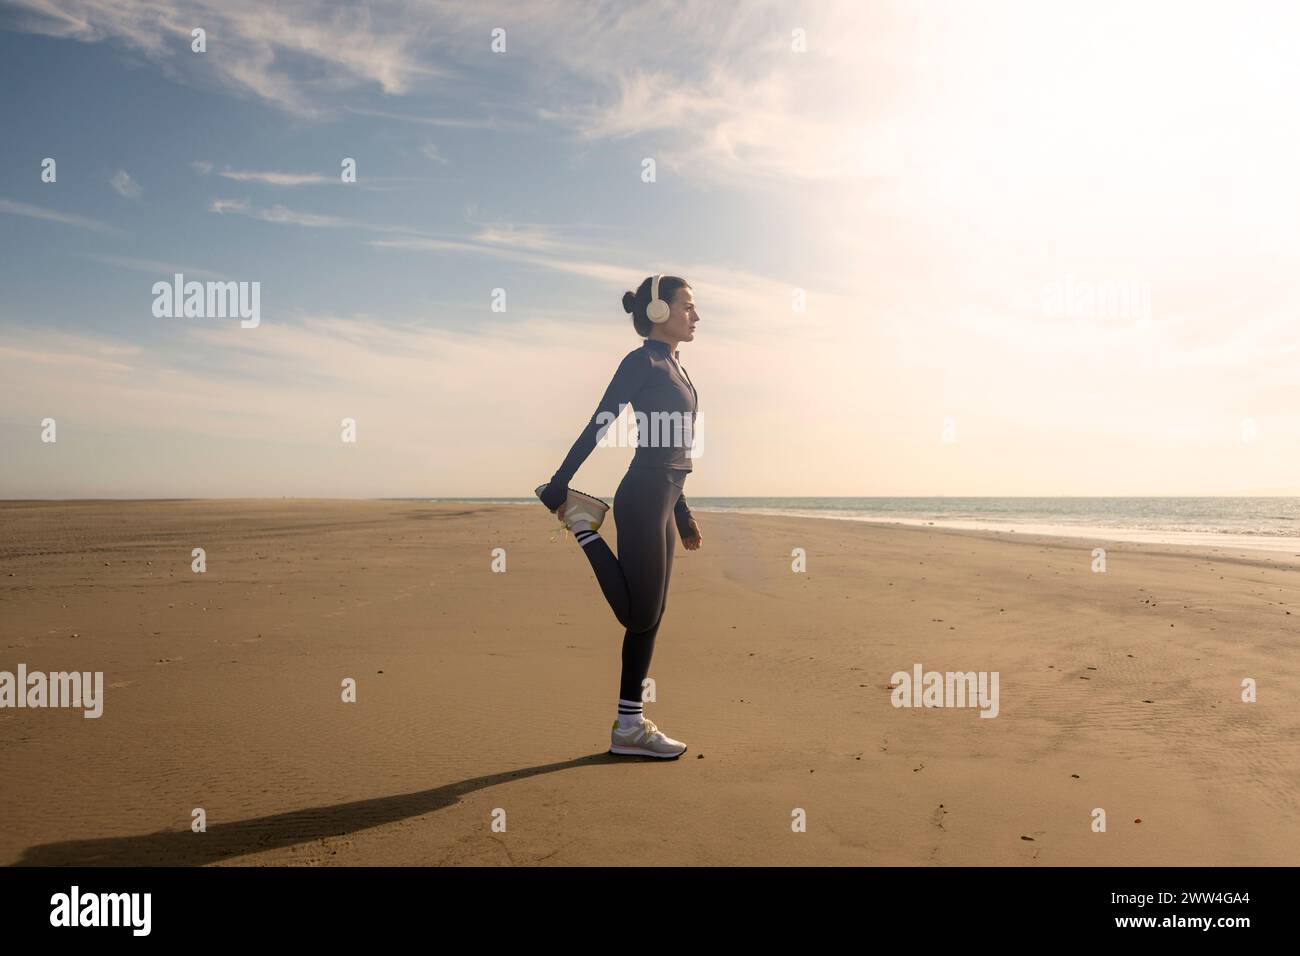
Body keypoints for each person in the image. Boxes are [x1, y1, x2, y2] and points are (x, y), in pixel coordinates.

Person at [535, 274, 702, 758]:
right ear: (657, 312)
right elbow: (601, 420)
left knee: (652, 619)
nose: (695, 315)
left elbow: (679, 447)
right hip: (644, 494)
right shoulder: (642, 361)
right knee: (638, 613)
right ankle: (583, 525)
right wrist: (560, 482)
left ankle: (629, 726)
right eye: (687, 306)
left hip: (666, 496)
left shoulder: (677, 366)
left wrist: (684, 512)